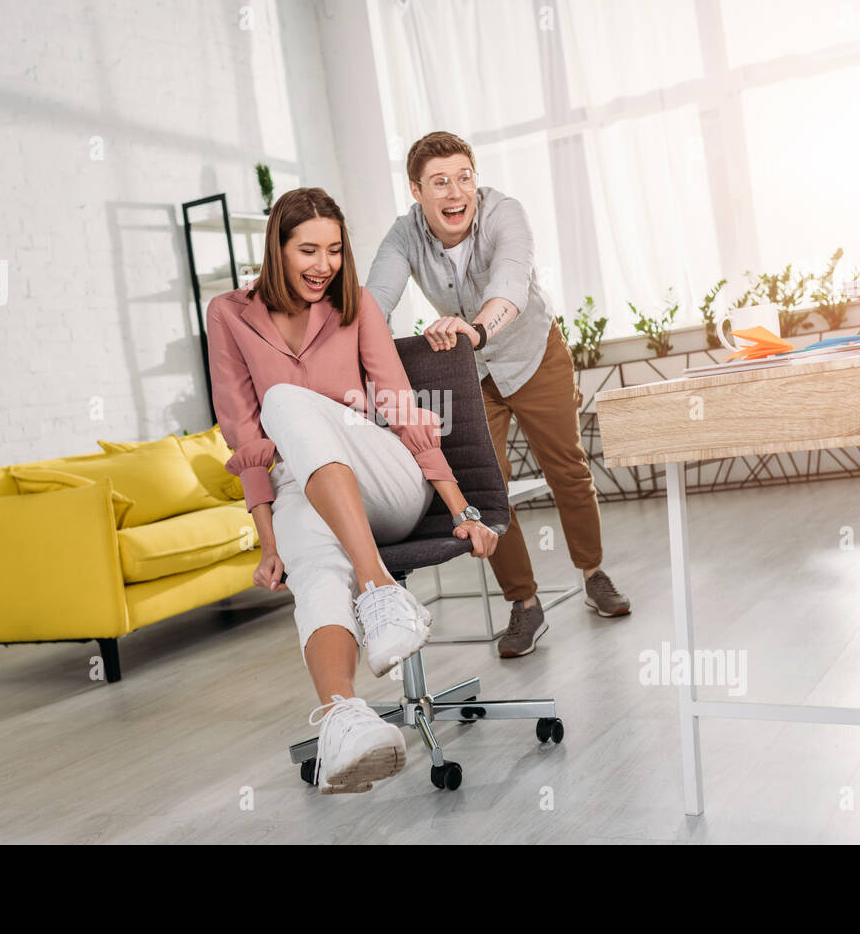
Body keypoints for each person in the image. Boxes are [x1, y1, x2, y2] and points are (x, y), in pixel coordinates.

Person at [206, 187, 498, 795]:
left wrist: (462, 509)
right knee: (312, 569)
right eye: (307, 250)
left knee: (284, 400)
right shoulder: (230, 315)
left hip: (384, 477)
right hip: (303, 486)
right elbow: (241, 431)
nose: (323, 265)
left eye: (335, 250)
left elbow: (401, 406)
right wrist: (268, 543)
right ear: (276, 249)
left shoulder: (356, 305)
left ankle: (377, 588)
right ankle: (345, 720)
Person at [366, 131, 631, 660]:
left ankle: (594, 571)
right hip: (472, 371)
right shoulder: (402, 237)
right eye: (440, 182)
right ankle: (525, 604)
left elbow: (510, 283)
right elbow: (376, 301)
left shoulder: (505, 213)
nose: (455, 191)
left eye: (464, 177)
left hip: (532, 350)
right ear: (416, 191)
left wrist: (478, 330)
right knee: (487, 490)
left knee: (567, 466)